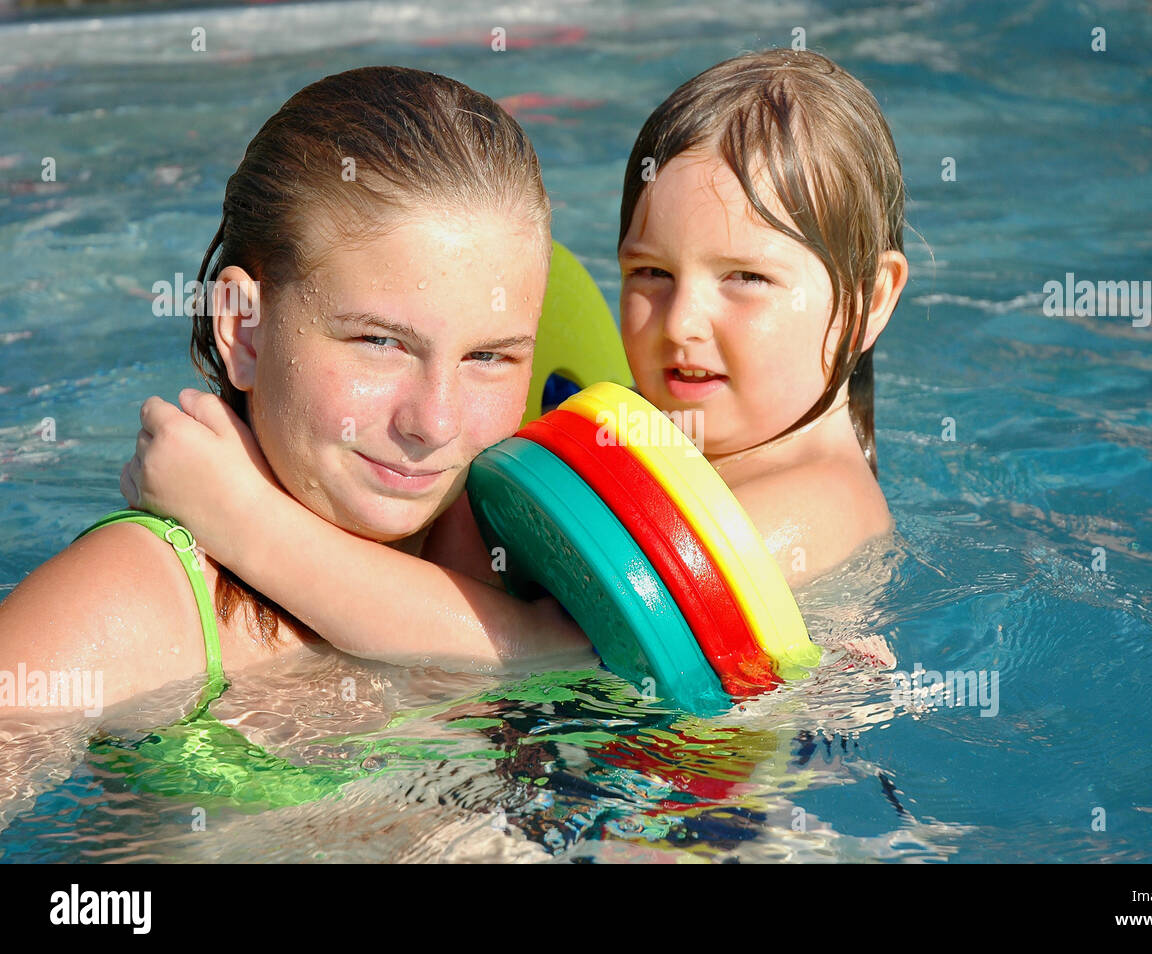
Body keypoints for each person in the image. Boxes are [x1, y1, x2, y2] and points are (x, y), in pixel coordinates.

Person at [109, 49, 907, 670]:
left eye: (746, 279)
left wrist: (239, 517)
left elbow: (527, 652)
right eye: (651, 274)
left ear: (872, 300)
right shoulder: (640, 433)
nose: (682, 321)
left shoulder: (815, 504)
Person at [0, 66, 590, 718]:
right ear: (244, 332)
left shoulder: (546, 565)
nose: (436, 422)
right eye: (380, 343)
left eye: (488, 356)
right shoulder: (133, 608)